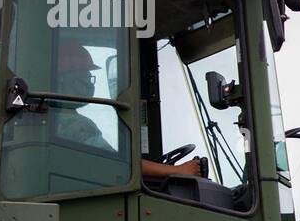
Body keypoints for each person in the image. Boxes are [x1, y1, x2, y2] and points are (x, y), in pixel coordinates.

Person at [54, 40, 202, 179]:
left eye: (89, 75)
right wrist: (178, 170)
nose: (88, 81)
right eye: (84, 75)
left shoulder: (58, 118)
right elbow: (118, 164)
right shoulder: (72, 124)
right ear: (63, 78)